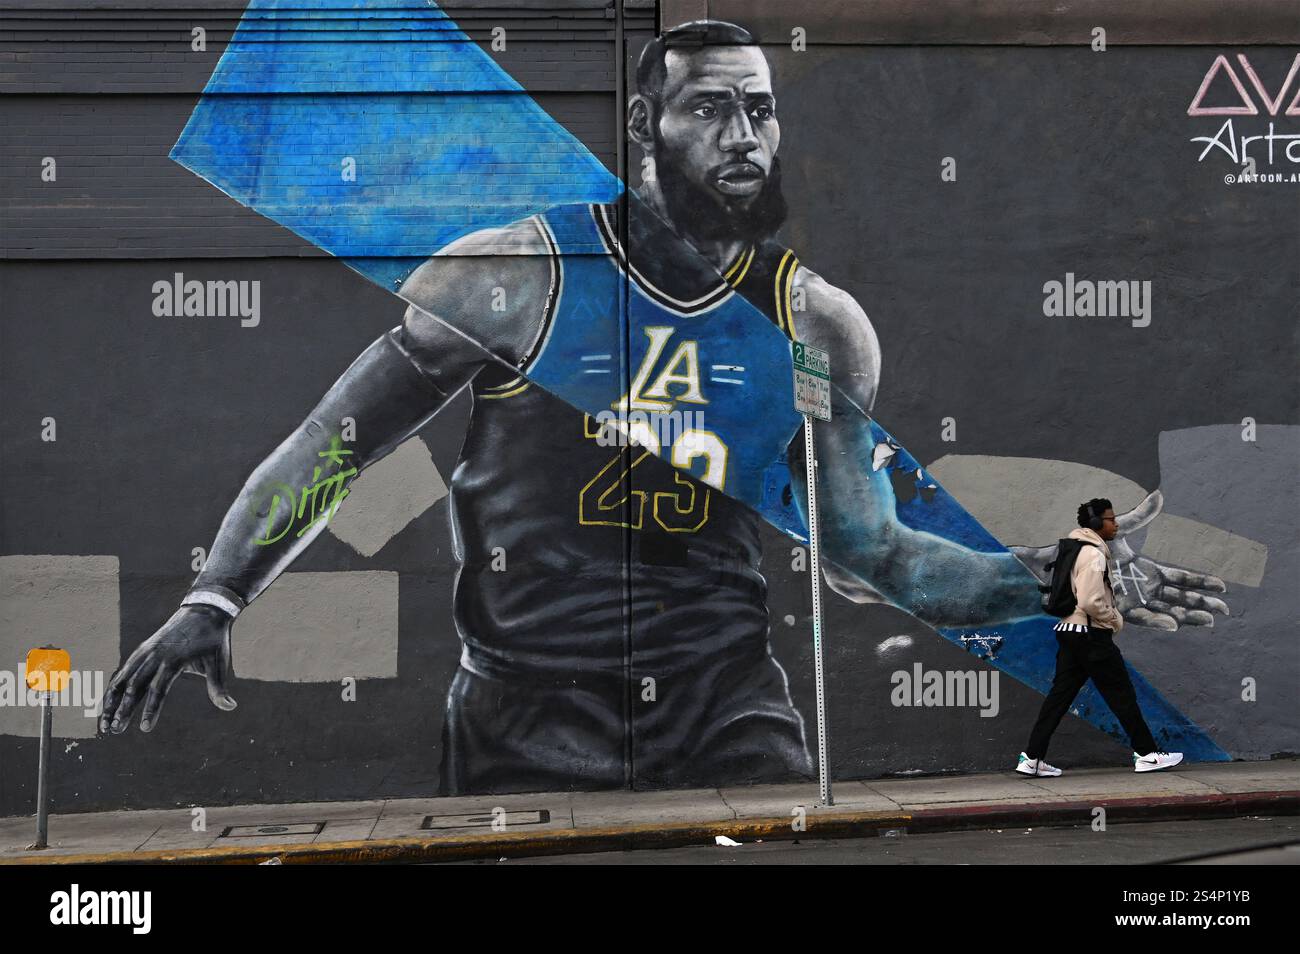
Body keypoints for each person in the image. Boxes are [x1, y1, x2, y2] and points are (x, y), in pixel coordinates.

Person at [98, 20, 1052, 793]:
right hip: (525, 714)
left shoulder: (817, 324)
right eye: (711, 110)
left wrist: (1051, 579)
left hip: (727, 710)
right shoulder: (514, 276)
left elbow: (868, 553)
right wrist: (218, 592)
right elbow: (331, 446)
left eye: (760, 111)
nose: (744, 138)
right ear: (642, 126)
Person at [1016, 499, 1184, 777]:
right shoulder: (1093, 554)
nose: (1115, 523)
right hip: (1090, 635)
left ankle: (1032, 758)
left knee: (1059, 697)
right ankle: (1148, 754)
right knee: (1122, 694)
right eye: (1110, 519)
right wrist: (1115, 620)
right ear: (1096, 524)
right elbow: (1091, 600)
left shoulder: (1073, 549)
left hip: (1069, 632)